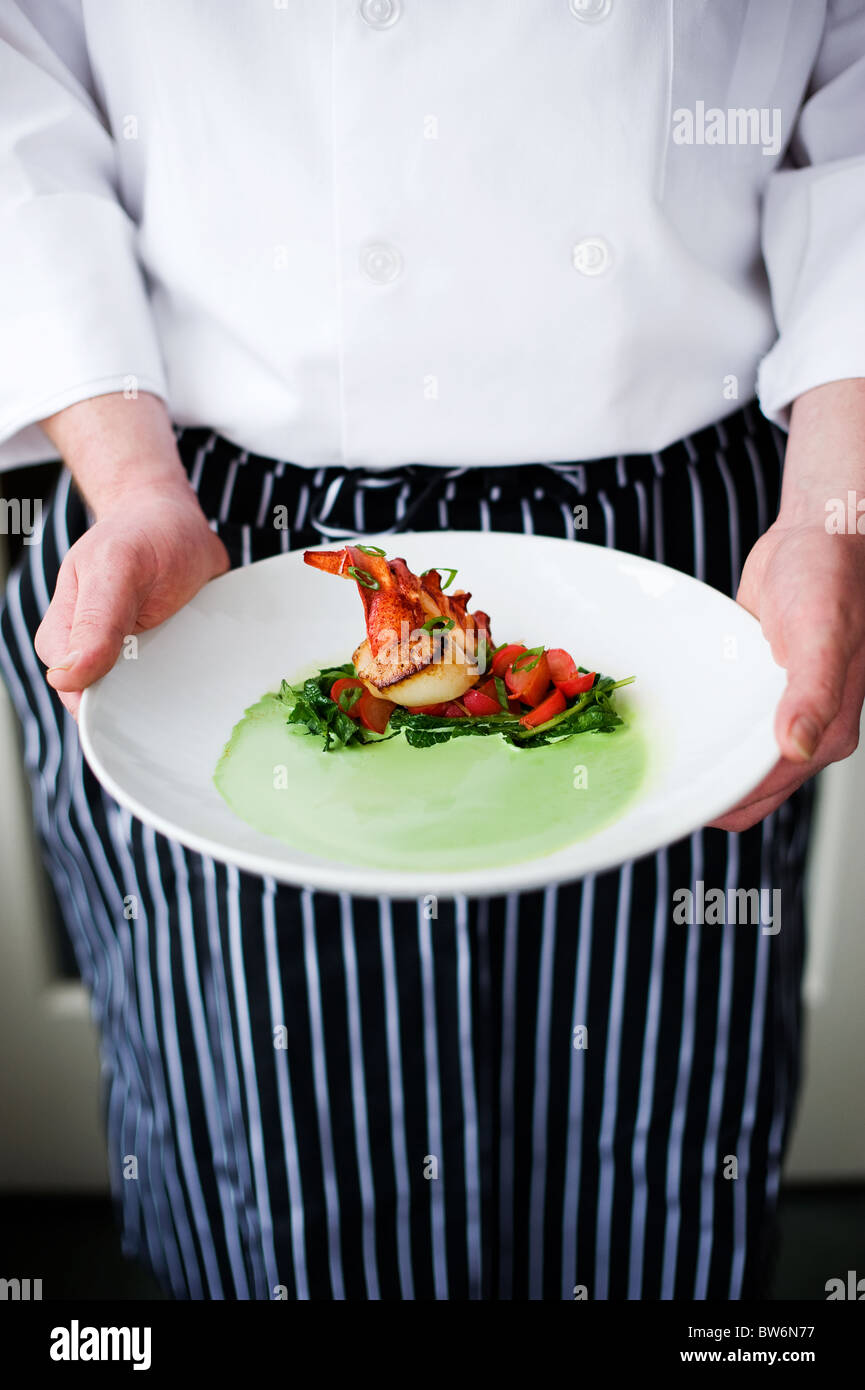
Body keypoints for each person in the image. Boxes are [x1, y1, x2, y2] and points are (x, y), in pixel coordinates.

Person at [1, 0, 864, 1301]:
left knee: (646, 1185)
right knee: (280, 1218)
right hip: (202, 546)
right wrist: (125, 481)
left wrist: (831, 512)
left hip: (680, 569)